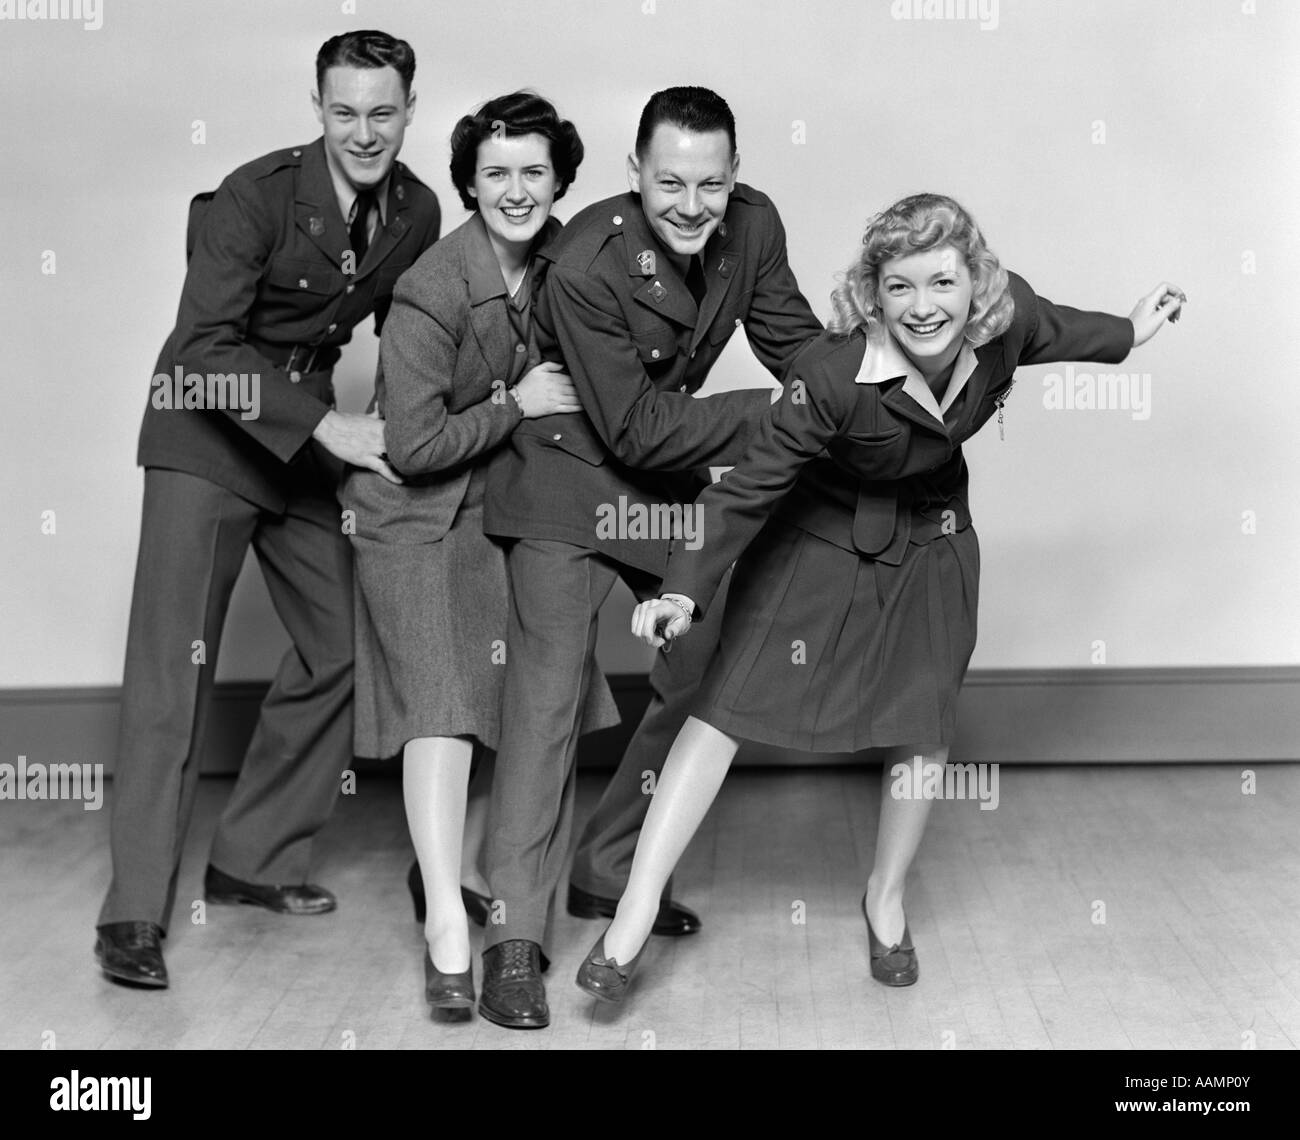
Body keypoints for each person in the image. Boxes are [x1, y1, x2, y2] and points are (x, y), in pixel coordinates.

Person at [581, 192, 1185, 1002]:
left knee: (922, 720)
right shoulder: (831, 375)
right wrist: (684, 596)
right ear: (874, 294)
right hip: (817, 538)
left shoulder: (1007, 322)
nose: (923, 306)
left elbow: (1067, 330)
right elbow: (746, 490)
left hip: (933, 542)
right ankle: (632, 914)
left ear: (977, 283)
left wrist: (1132, 330)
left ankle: (886, 900)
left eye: (941, 282)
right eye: (899, 286)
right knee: (720, 707)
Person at [95, 30, 441, 989]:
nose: (363, 132)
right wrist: (328, 428)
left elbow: (418, 336)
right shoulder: (252, 196)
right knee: (172, 675)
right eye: (344, 111)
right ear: (317, 107)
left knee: (343, 646)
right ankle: (131, 915)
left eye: (382, 112)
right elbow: (203, 350)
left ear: (411, 108)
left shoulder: (416, 210)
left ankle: (251, 858)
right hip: (208, 434)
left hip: (301, 444)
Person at [478, 86, 823, 1029]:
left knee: (704, 667)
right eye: (669, 181)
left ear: (736, 176)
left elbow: (799, 351)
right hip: (562, 477)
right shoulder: (586, 259)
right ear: (635, 174)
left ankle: (607, 868)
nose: (690, 203)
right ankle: (511, 937)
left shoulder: (752, 227)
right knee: (547, 697)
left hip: (655, 487)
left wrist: (886, 379)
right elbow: (634, 429)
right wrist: (774, 415)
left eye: (710, 183)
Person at [340, 92, 619, 1022]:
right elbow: (412, 447)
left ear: (560, 181)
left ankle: (473, 884)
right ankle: (446, 934)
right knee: (443, 707)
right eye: (495, 172)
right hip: (410, 516)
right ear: (468, 181)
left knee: (525, 699)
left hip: (492, 509)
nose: (515, 189)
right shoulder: (432, 285)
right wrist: (517, 406)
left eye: (533, 172)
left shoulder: (566, 262)